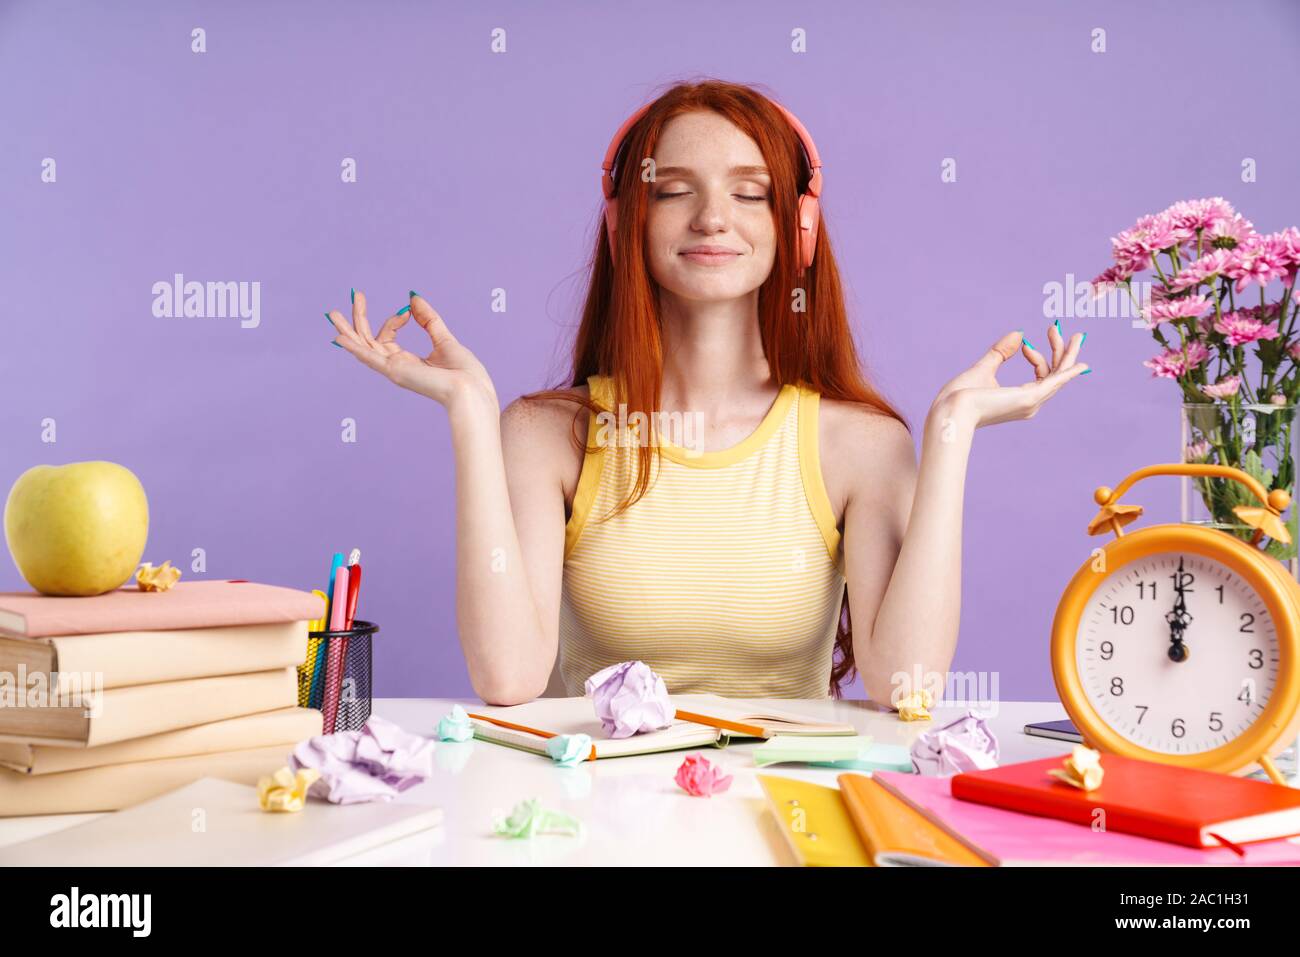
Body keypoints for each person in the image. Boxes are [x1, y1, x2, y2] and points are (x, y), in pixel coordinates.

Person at [325, 79, 1088, 706]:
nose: (713, 218)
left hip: (789, 814)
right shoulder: (543, 434)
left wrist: (952, 431)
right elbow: (508, 677)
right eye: (675, 191)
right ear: (626, 226)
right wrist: (469, 414)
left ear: (800, 227)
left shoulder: (859, 444)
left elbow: (902, 686)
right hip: (595, 823)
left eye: (749, 193)